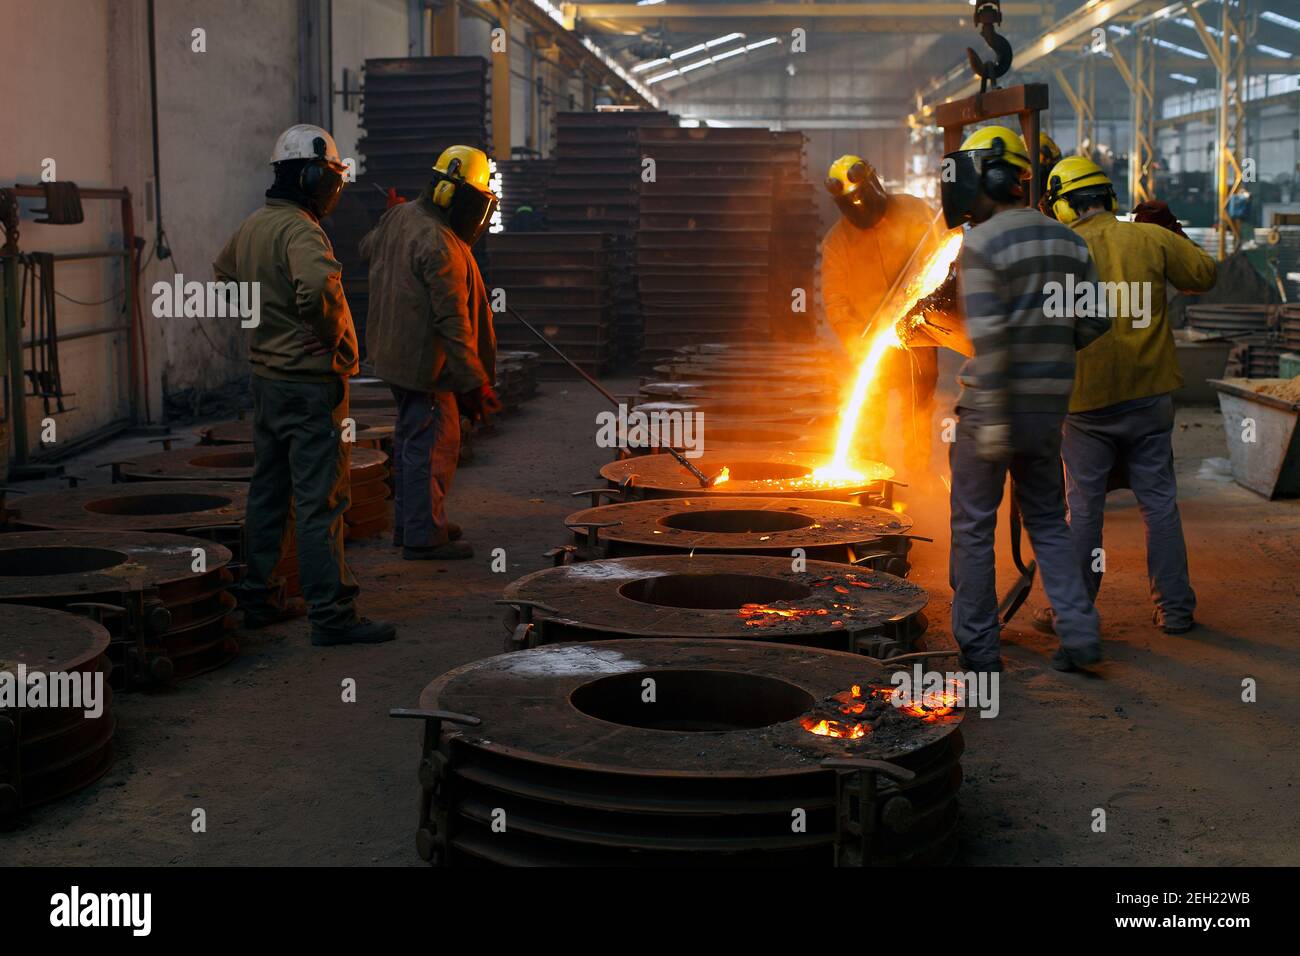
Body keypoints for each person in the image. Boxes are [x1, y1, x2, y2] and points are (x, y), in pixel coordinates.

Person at [938, 126, 1111, 673]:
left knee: (973, 528)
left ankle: (980, 652)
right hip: (1046, 411)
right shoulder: (1069, 241)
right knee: (1049, 524)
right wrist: (1051, 348)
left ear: (992, 178)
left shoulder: (983, 244)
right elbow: (1097, 320)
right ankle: (1080, 637)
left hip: (991, 408)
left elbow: (989, 336)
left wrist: (992, 421)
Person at [215, 124, 395, 647]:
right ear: (315, 178)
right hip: (310, 387)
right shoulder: (301, 231)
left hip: (267, 382)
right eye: (332, 178)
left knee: (269, 492)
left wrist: (265, 319)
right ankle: (333, 615)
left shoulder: (254, 225)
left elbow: (224, 275)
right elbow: (315, 286)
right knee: (321, 501)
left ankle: (259, 598)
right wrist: (322, 331)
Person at [1034, 157, 1216, 637]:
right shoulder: (1149, 238)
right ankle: (1174, 609)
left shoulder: (1057, 251)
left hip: (1085, 405)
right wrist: (1172, 233)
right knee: (1159, 505)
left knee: (1083, 511)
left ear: (1062, 205)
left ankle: (1073, 610)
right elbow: (1204, 275)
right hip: (1148, 397)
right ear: (1109, 198)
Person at [360, 145, 500, 560]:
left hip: (394, 360)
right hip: (426, 369)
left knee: (411, 442)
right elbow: (453, 323)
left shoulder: (402, 217)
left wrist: (390, 217)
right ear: (457, 197)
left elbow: (368, 248)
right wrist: (474, 383)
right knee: (434, 446)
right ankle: (424, 536)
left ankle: (414, 524)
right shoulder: (440, 242)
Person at [820, 154, 946, 480]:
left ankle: (919, 479)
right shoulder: (837, 243)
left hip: (917, 340)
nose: (861, 207)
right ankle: (873, 480)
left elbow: (943, 256)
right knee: (869, 417)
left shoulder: (915, 212)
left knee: (917, 413)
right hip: (868, 346)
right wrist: (856, 343)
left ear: (875, 183)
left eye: (864, 196)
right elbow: (835, 301)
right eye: (851, 203)